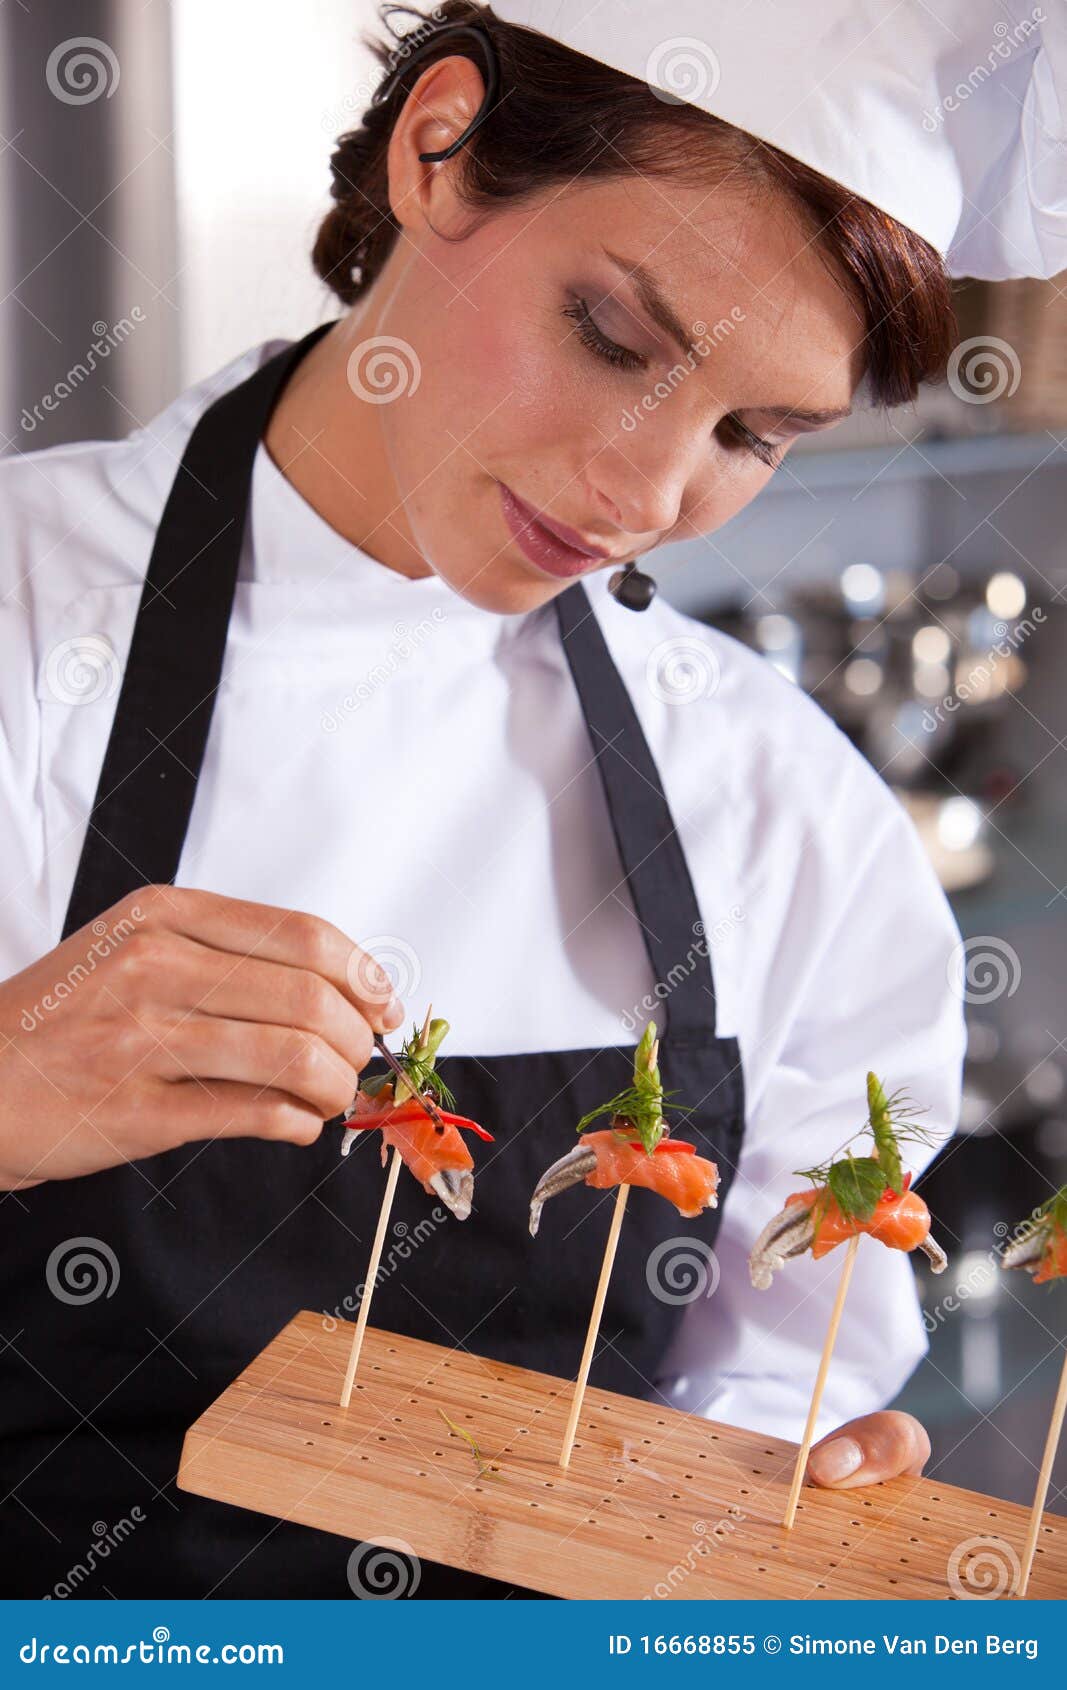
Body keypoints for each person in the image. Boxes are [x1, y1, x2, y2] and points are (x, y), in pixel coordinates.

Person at [1, 0, 1059, 1599]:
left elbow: (778, 1377)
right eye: (617, 339)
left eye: (752, 436)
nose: (647, 495)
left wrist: (769, 1490)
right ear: (441, 148)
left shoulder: (789, 825)